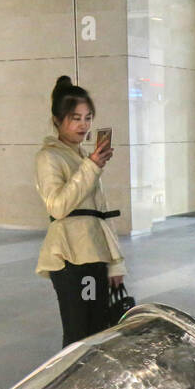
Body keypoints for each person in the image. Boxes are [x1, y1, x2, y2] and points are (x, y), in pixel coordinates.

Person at [35, 76, 125, 347]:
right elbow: (58, 206)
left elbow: (99, 213)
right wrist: (92, 167)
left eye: (88, 118)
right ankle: (69, 387)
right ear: (57, 120)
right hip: (70, 256)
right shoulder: (49, 157)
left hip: (93, 254)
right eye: (75, 118)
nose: (83, 126)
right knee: (78, 335)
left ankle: (92, 387)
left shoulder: (82, 155)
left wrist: (115, 263)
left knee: (98, 331)